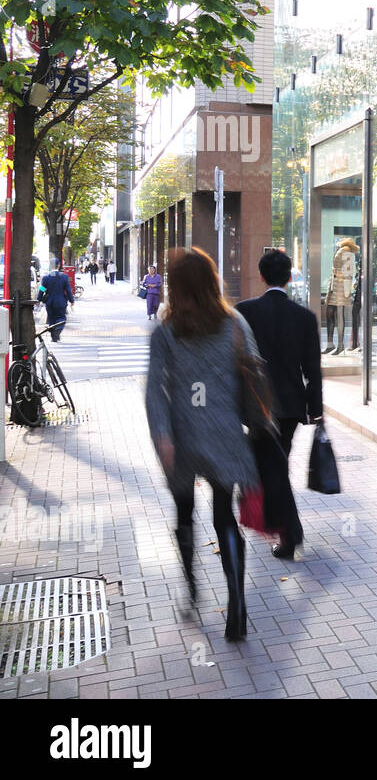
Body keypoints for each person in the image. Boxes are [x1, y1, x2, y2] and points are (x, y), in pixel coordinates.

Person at [145, 247, 261, 641]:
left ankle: (192, 587)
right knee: (224, 515)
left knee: (183, 514)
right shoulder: (234, 325)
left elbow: (154, 392)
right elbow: (256, 370)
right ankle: (237, 604)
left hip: (183, 437)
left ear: (175, 288)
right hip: (225, 433)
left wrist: (162, 436)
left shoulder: (167, 332)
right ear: (212, 283)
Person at [235, 249, 321, 561]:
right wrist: (316, 411)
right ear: (289, 278)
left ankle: (289, 534)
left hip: (257, 408)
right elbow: (313, 369)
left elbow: (236, 362)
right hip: (291, 407)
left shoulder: (244, 312)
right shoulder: (305, 317)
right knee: (277, 466)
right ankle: (283, 531)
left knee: (274, 469)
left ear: (261, 276)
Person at [323, 237, 358, 354]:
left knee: (338, 315)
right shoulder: (344, 250)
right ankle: (331, 344)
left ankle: (340, 345)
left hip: (341, 286)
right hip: (335, 284)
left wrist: (339, 277)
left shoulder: (347, 251)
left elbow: (349, 272)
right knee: (330, 313)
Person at [38, 261, 75, 341]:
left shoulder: (46, 277)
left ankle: (54, 337)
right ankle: (58, 330)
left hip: (49, 302)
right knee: (61, 318)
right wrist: (72, 300)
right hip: (61, 301)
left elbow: (42, 289)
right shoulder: (64, 277)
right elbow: (68, 290)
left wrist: (39, 299)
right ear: (58, 266)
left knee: (51, 319)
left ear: (50, 266)